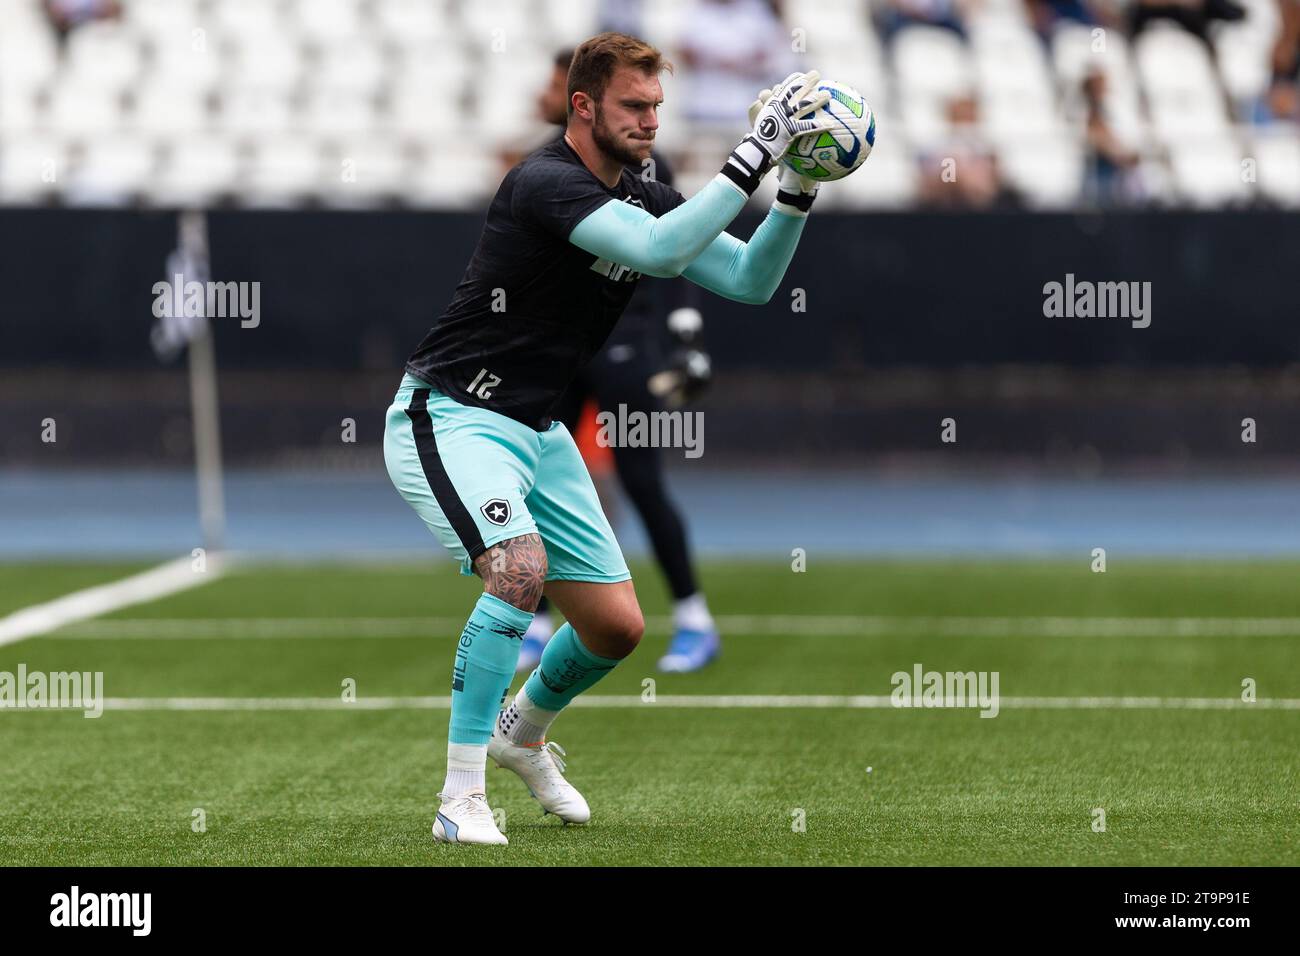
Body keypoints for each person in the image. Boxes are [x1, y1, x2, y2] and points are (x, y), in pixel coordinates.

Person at [383, 31, 837, 845]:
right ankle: (459, 797)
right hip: (450, 413)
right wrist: (756, 151)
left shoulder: (642, 187)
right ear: (583, 105)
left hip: (536, 429)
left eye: (659, 106)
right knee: (518, 571)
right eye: (635, 105)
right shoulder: (544, 182)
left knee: (617, 627)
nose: (651, 121)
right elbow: (662, 252)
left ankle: (521, 734)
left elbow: (749, 280)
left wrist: (796, 188)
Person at [517, 48, 722, 677]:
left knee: (642, 482)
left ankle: (692, 616)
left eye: (555, 80)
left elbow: (674, 234)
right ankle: (540, 617)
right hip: (563, 352)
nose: (546, 92)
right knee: (535, 484)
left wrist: (685, 332)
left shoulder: (629, 159)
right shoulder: (548, 169)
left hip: (626, 347)